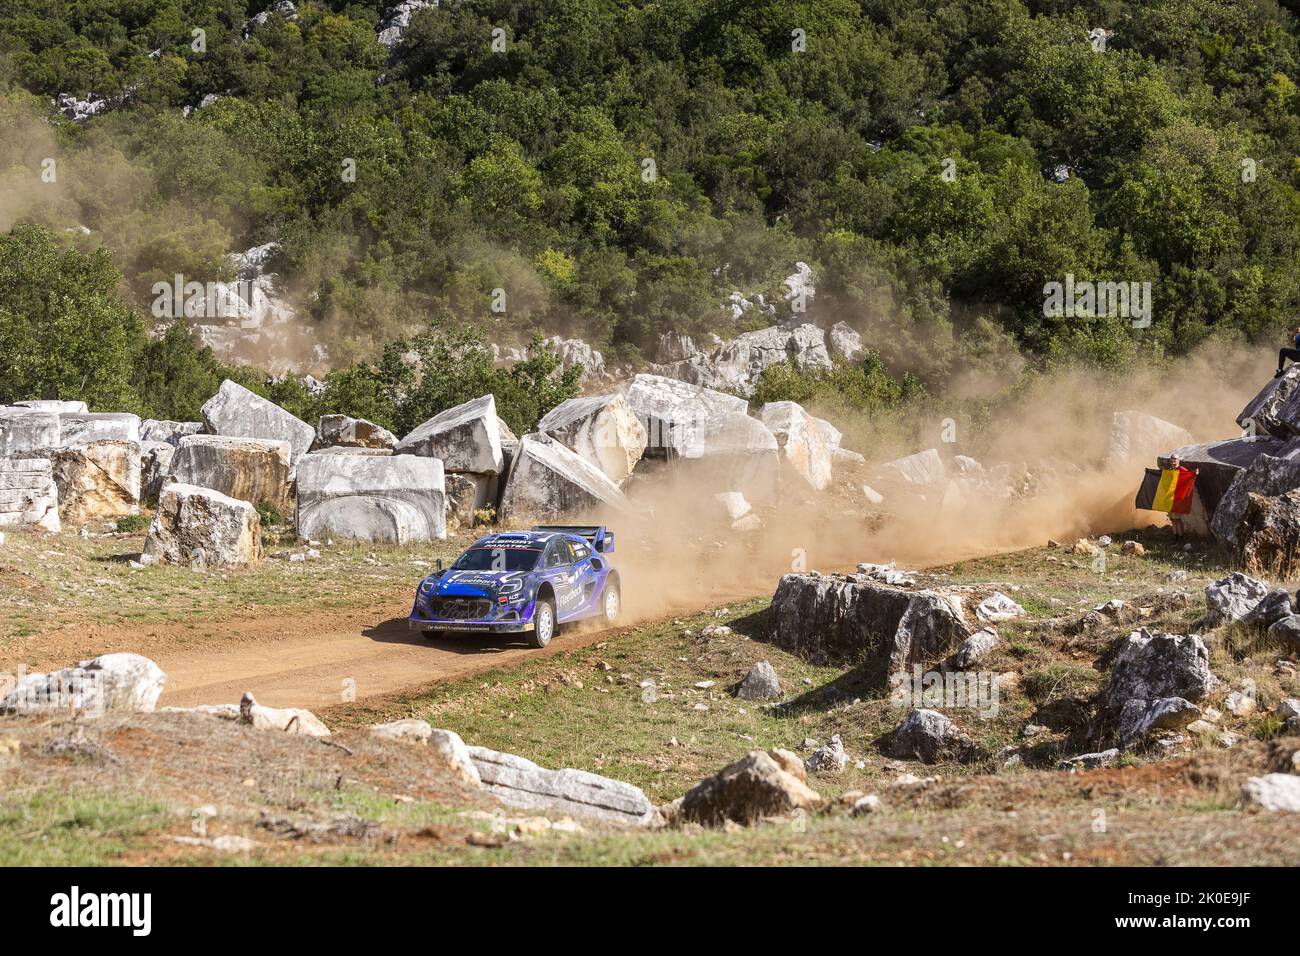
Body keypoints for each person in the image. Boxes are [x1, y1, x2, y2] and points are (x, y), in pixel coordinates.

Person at [1167, 453, 1198, 538]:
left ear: (1178, 460)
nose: (1173, 460)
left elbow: (1189, 476)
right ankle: (1175, 536)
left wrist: (1195, 473)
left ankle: (1180, 538)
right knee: (1172, 519)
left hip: (1178, 498)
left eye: (1175, 459)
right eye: (1172, 459)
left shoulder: (1181, 469)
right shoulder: (1170, 470)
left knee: (1177, 519)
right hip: (1171, 498)